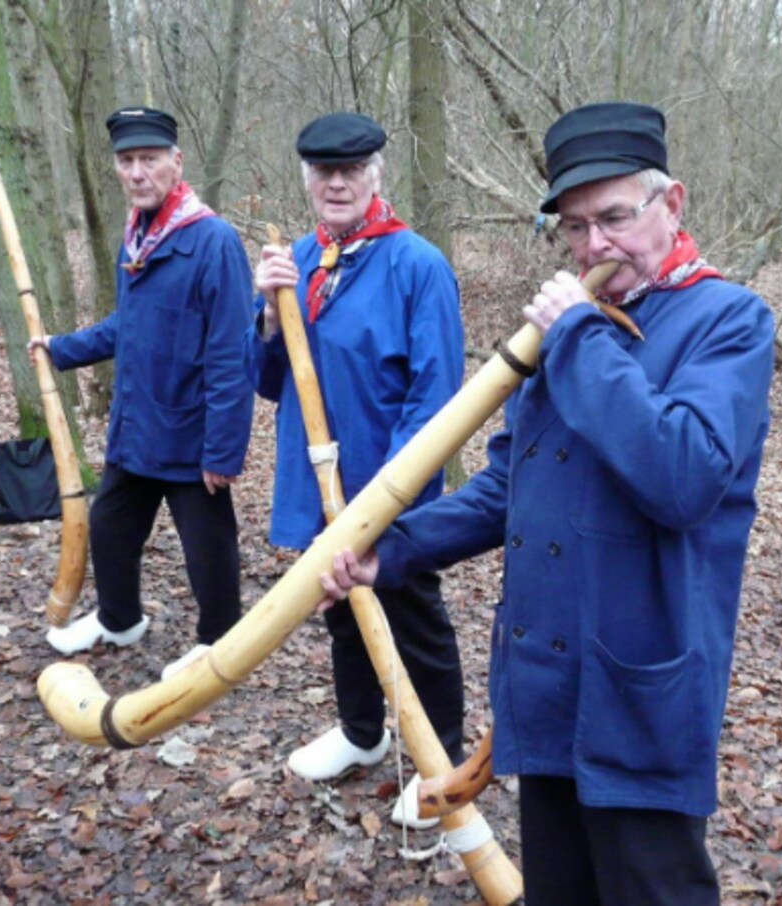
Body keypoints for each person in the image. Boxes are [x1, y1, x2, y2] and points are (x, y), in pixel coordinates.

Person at [319, 102, 775, 905]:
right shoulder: (573, 331)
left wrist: (577, 338)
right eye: (574, 227)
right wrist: (389, 550)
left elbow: (683, 476)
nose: (595, 245)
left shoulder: (726, 320)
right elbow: (507, 488)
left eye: (615, 218)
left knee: (652, 890)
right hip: (547, 680)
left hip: (641, 691)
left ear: (672, 204)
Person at [245, 113, 465, 829]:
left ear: (376, 174)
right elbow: (269, 381)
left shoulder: (417, 266)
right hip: (316, 480)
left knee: (413, 618)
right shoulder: (298, 259)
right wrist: (268, 316)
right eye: (323, 172)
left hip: (389, 486)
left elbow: (434, 398)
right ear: (307, 179)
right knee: (340, 609)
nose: (336, 184)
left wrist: (387, 501)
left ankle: (444, 764)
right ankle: (362, 731)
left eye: (351, 171)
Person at [32, 107, 254, 681]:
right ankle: (119, 619)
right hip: (135, 426)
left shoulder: (212, 241)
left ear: (175, 162)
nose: (136, 172)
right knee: (110, 528)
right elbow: (126, 327)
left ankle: (219, 645)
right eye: (126, 161)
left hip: (190, 433)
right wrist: (60, 348)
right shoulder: (137, 237)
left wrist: (223, 449)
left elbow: (232, 354)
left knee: (207, 547)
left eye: (149, 159)